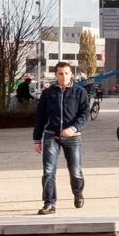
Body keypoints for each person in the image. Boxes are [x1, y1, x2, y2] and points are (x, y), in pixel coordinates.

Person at [31, 60, 90, 214]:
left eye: (67, 73)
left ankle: (78, 193)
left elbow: (85, 114)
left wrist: (74, 128)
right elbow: (40, 117)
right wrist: (37, 139)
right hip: (51, 135)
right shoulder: (48, 93)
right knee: (49, 171)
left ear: (71, 74)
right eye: (61, 74)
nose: (64, 76)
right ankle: (49, 203)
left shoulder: (79, 92)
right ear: (56, 75)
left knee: (75, 170)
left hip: (73, 137)